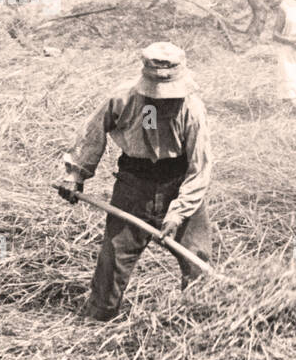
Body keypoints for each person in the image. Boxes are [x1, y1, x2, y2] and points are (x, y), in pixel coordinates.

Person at [56, 41, 213, 321]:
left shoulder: (192, 108)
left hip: (178, 183)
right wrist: (75, 175)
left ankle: (200, 317)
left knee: (197, 258)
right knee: (114, 258)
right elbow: (92, 133)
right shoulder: (123, 97)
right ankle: (100, 317)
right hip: (134, 183)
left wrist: (178, 212)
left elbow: (199, 168)